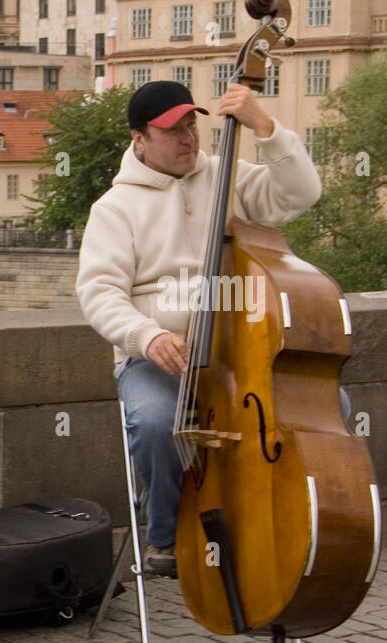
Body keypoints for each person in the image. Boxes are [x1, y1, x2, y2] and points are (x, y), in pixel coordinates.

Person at [77, 81, 322, 577]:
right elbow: (99, 293)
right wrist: (148, 336)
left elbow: (301, 193)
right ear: (139, 138)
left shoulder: (227, 175)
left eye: (191, 123)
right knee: (154, 422)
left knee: (322, 408)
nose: (188, 137)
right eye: (172, 130)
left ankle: (295, 526)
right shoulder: (114, 208)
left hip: (238, 353)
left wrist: (266, 128)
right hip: (156, 360)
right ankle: (164, 539)